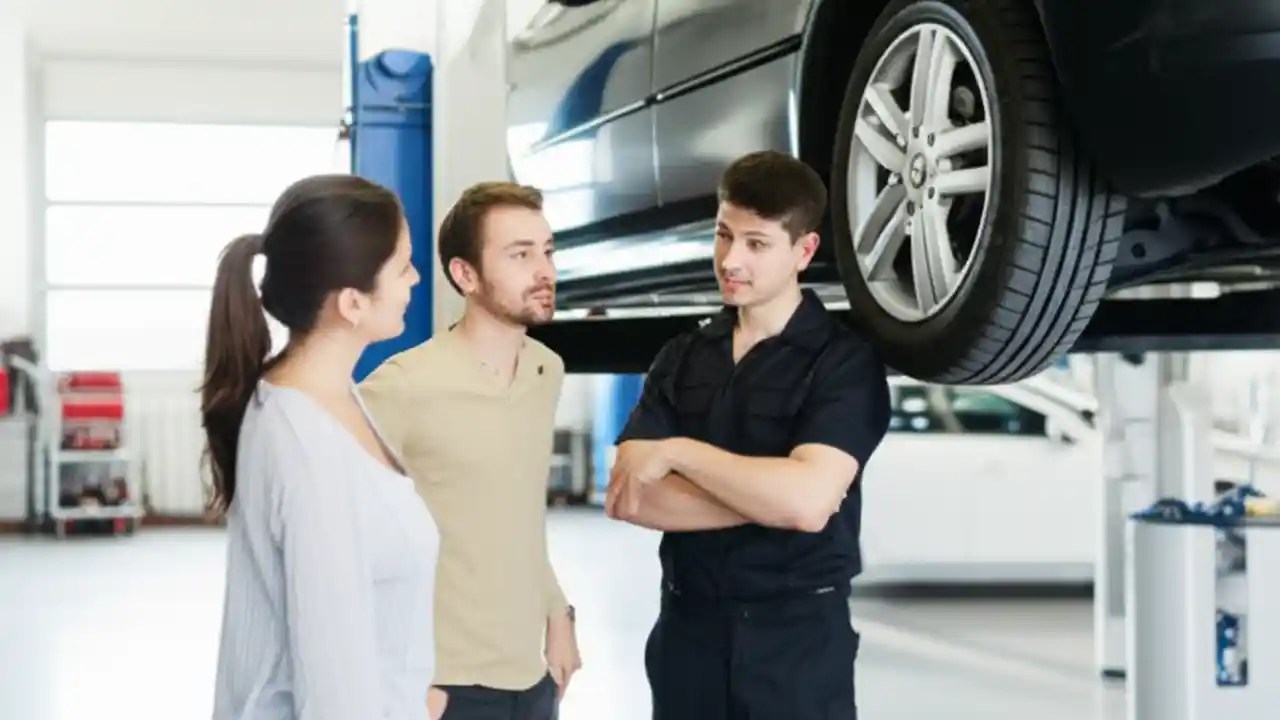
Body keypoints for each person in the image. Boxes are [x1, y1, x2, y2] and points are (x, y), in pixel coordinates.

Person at [605, 150, 892, 719]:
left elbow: (809, 504)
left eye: (756, 244)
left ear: (803, 251)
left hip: (797, 643)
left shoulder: (843, 364)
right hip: (687, 635)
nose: (731, 260)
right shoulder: (682, 357)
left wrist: (681, 453)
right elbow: (630, 496)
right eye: (723, 235)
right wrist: (774, 496)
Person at [205, 174, 448, 720]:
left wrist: (418, 694)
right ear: (352, 303)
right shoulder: (305, 445)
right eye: (403, 265)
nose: (415, 279)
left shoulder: (331, 400)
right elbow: (332, 682)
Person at [358, 181, 581, 720]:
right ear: (465, 275)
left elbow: (519, 516)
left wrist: (559, 615)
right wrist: (395, 683)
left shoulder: (545, 370)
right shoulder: (402, 386)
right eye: (520, 255)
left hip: (533, 675)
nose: (544, 271)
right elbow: (340, 543)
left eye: (547, 252)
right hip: (442, 683)